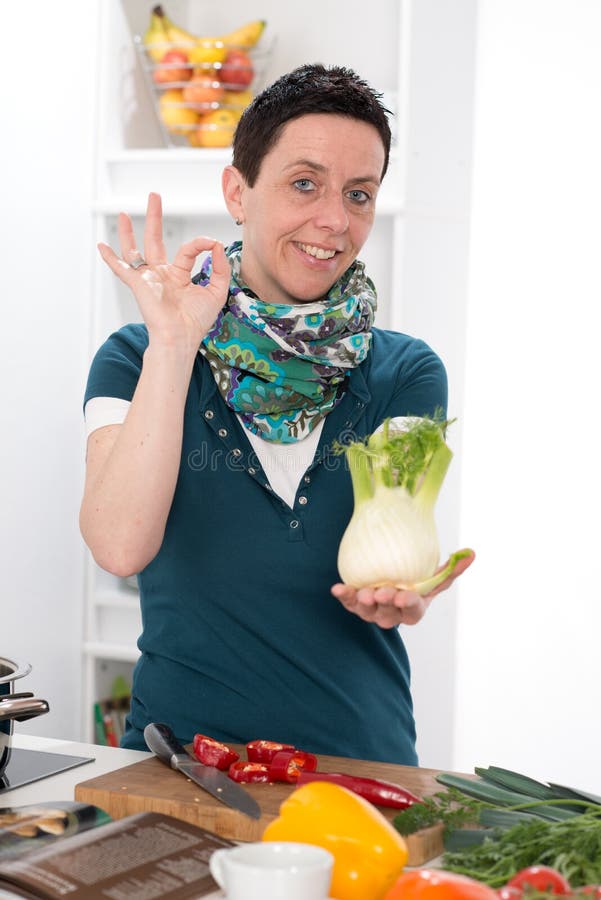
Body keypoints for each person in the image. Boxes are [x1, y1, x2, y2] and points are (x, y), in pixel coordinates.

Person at [80, 63, 474, 764]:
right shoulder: (135, 355)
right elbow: (118, 545)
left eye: (358, 194)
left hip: (359, 768)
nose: (334, 220)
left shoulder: (405, 372)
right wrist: (175, 345)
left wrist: (402, 594)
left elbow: (396, 542)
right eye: (304, 183)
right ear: (238, 190)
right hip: (179, 767)